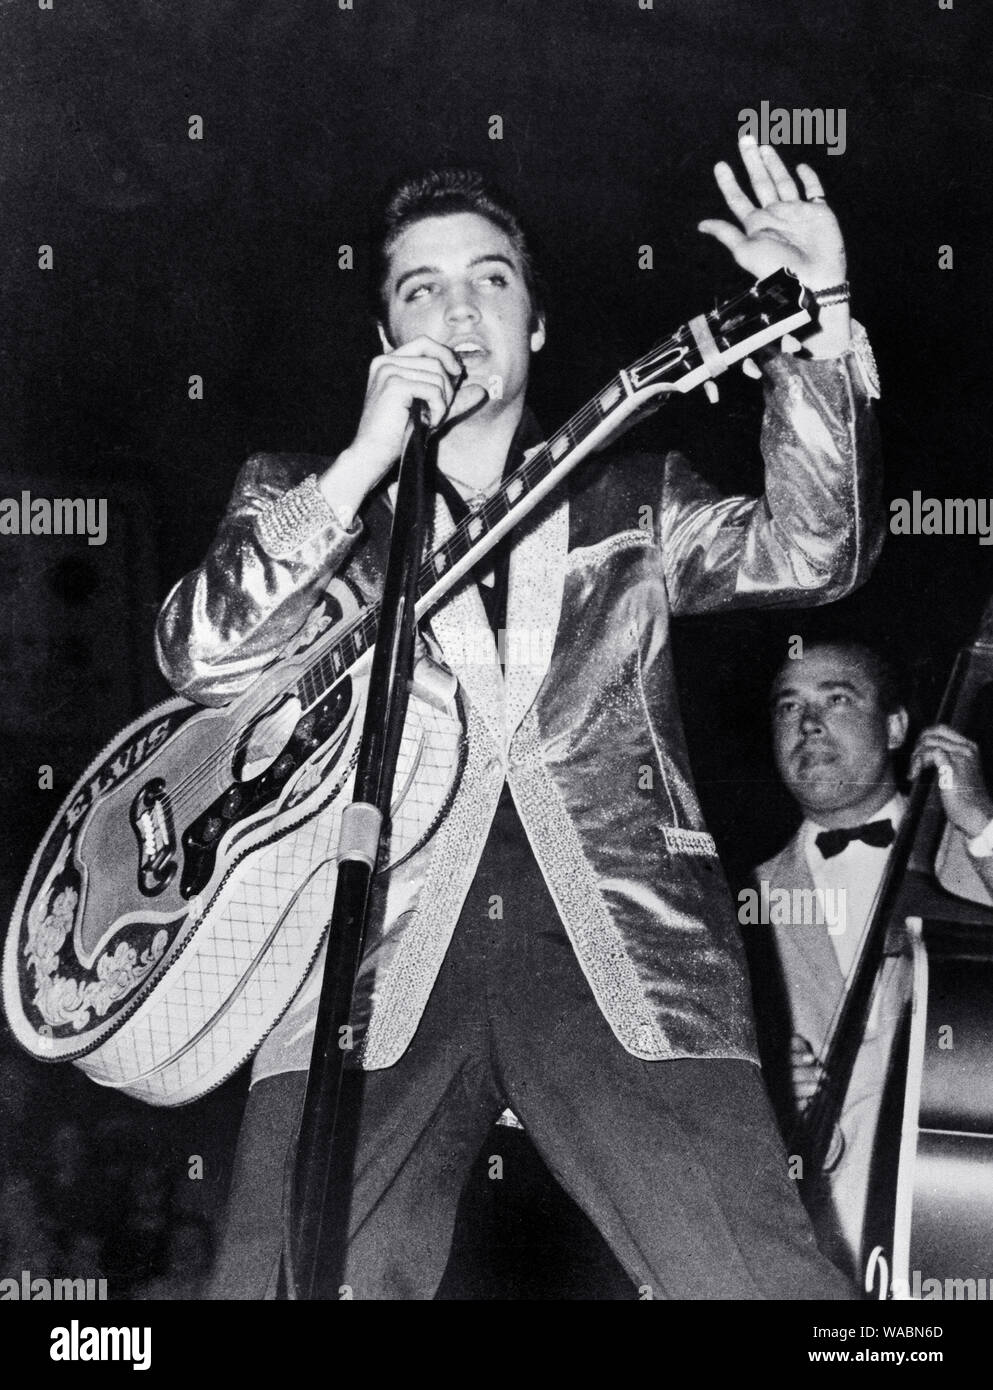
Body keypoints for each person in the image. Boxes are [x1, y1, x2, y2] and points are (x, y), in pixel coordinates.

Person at [156, 134, 882, 1300]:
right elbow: (196, 652)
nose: (457, 309)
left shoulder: (630, 492)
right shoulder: (307, 494)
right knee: (277, 1285)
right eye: (420, 288)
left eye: (490, 279)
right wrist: (358, 468)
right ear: (386, 339)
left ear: (536, 325)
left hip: (625, 952)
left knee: (761, 1285)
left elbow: (818, 548)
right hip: (366, 955)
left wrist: (821, 325)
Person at [753, 638, 993, 1279]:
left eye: (837, 699)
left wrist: (982, 827)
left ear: (894, 728)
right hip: (806, 1236)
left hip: (963, 1211)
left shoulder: (967, 851)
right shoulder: (737, 900)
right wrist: (763, 1090)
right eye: (787, 707)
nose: (808, 724)